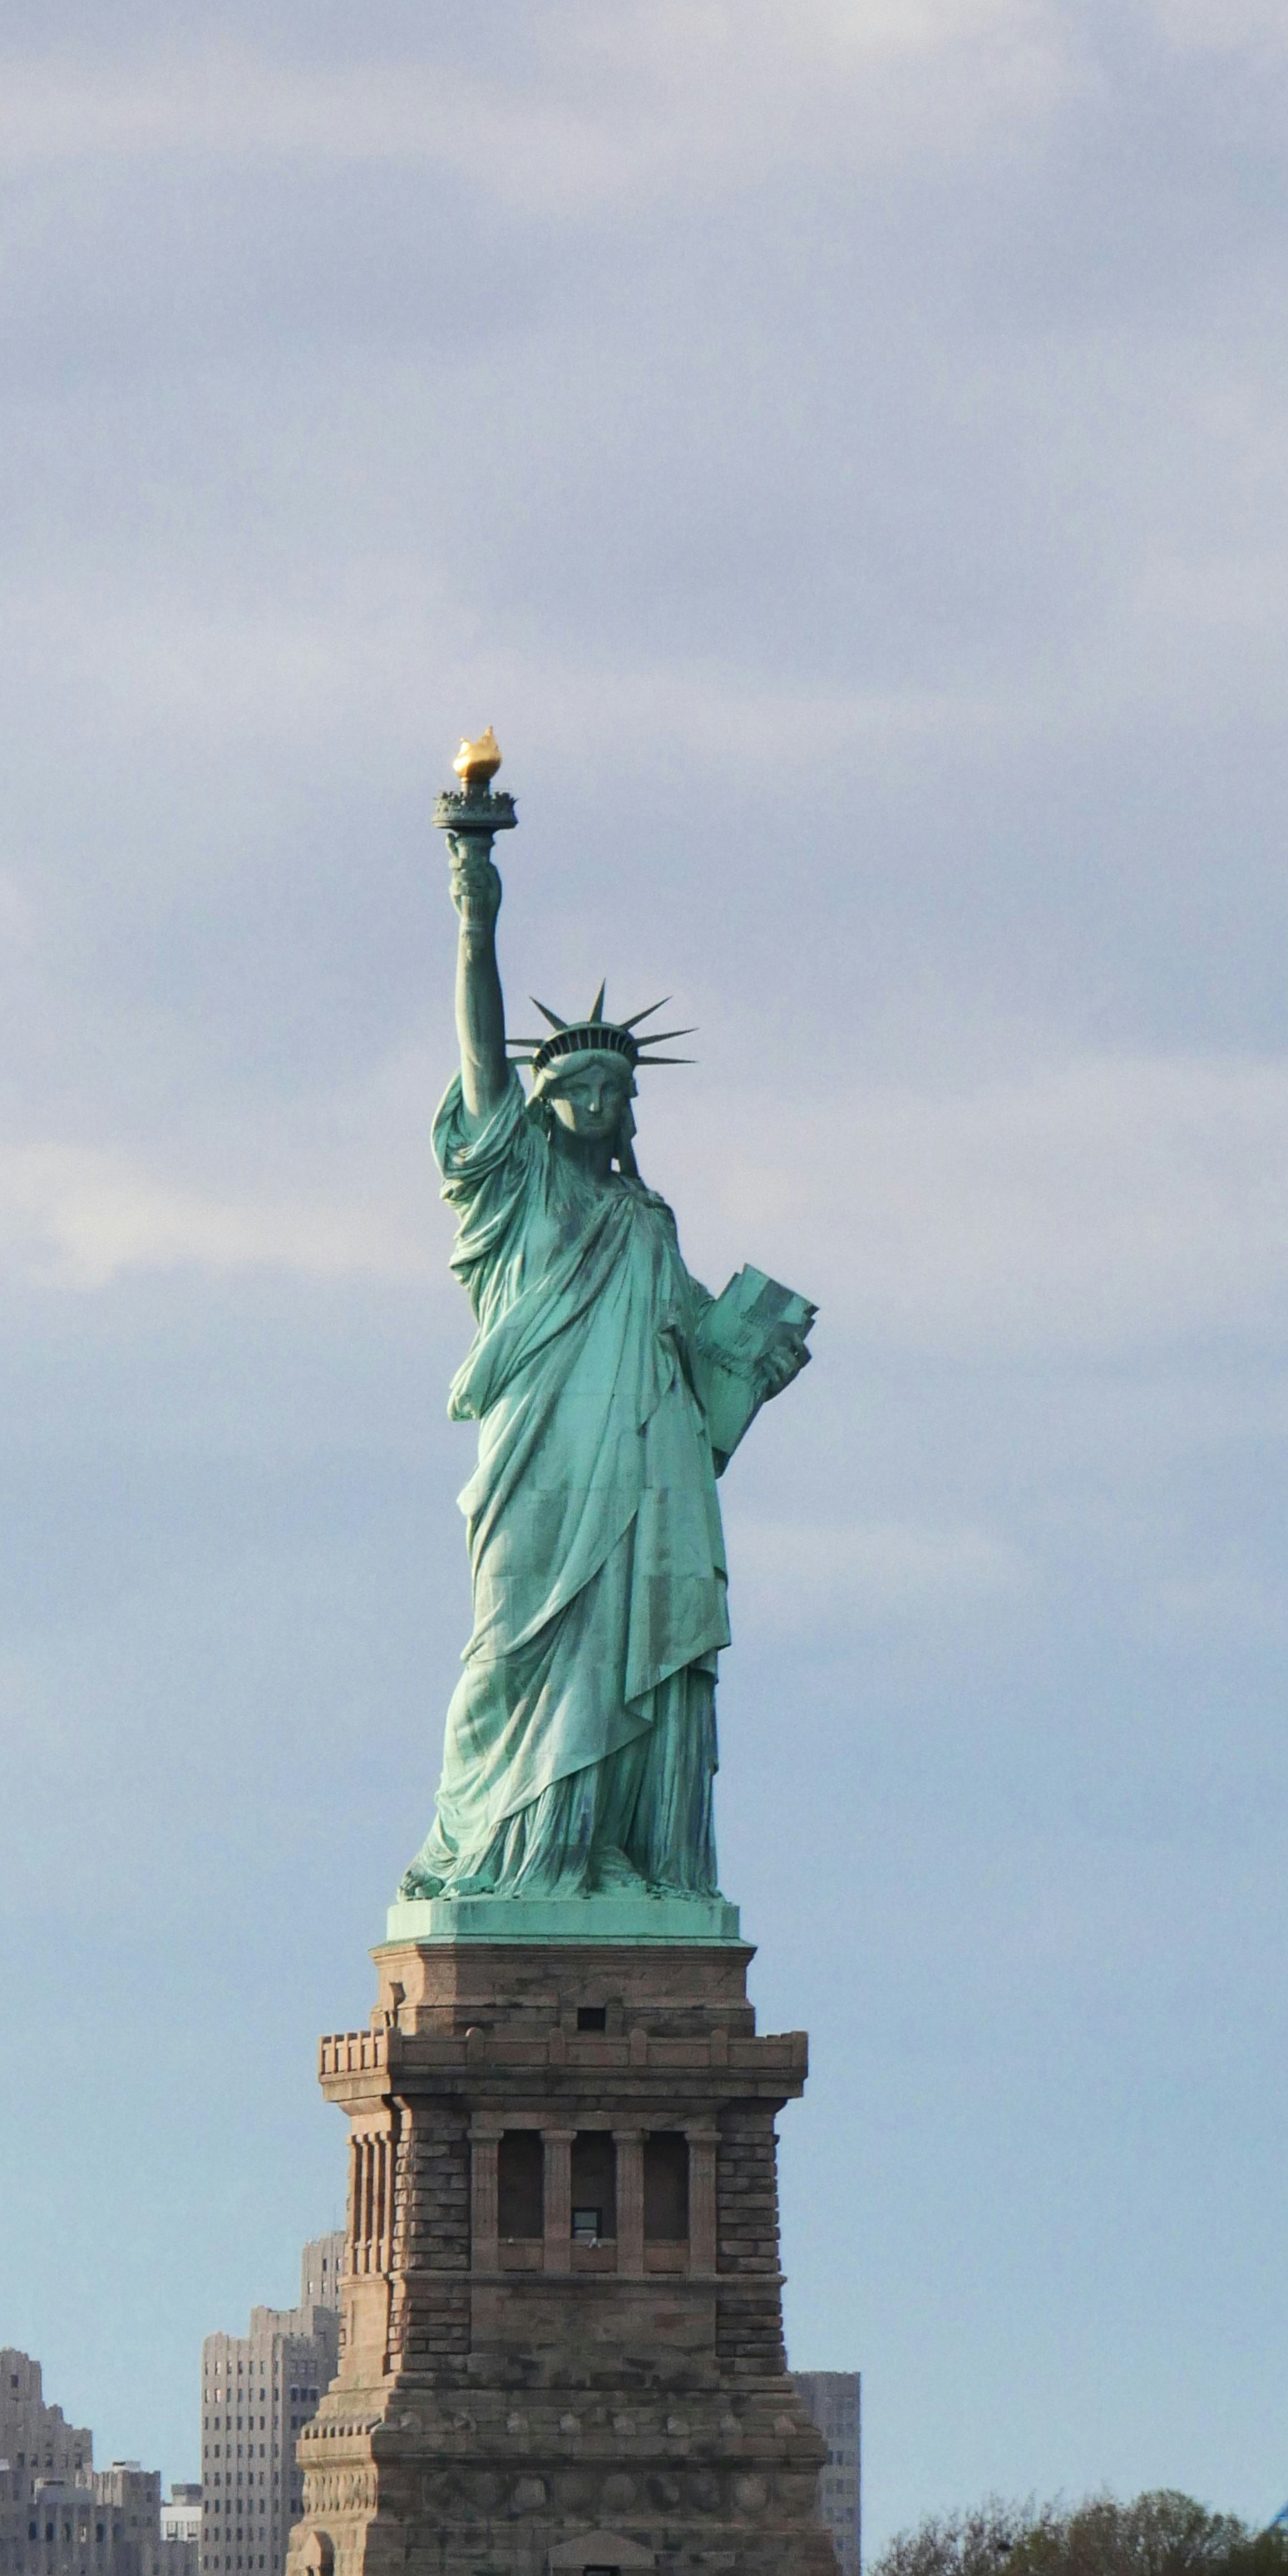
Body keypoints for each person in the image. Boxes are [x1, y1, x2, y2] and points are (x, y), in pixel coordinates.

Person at [396, 772, 812, 1919]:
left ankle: (617, 1856)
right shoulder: (518, 1190)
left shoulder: (646, 1221)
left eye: (608, 1087)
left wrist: (751, 1356)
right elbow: (482, 1057)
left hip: (646, 1478)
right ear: (542, 1102)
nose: (589, 1100)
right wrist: (474, 905)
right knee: (512, 1651)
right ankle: (507, 1847)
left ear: (628, 1108)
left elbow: (695, 1365)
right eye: (568, 1084)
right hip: (541, 1465)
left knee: (640, 1646)